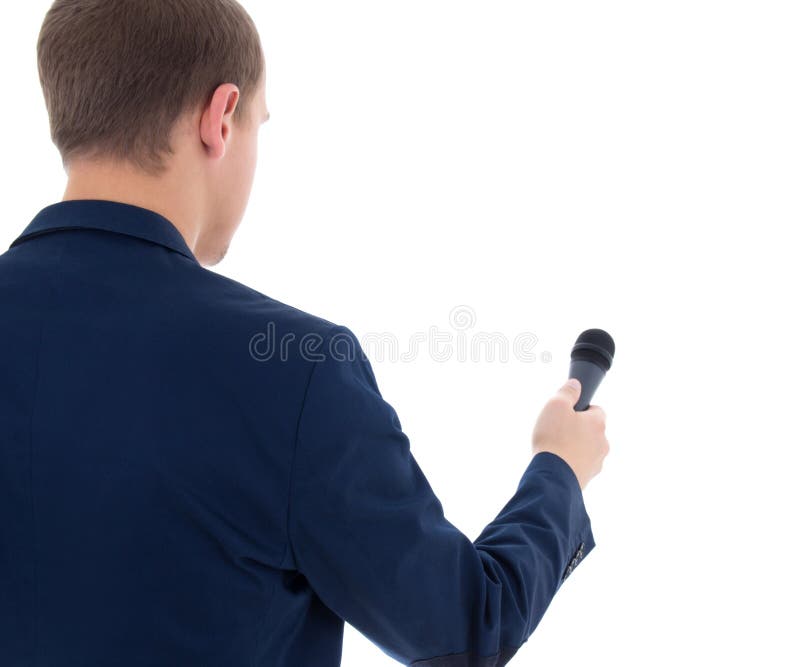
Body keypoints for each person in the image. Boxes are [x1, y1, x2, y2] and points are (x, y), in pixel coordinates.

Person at [0, 1, 609, 665]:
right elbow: (468, 629)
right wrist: (559, 469)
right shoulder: (295, 372)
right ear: (220, 117)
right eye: (259, 123)